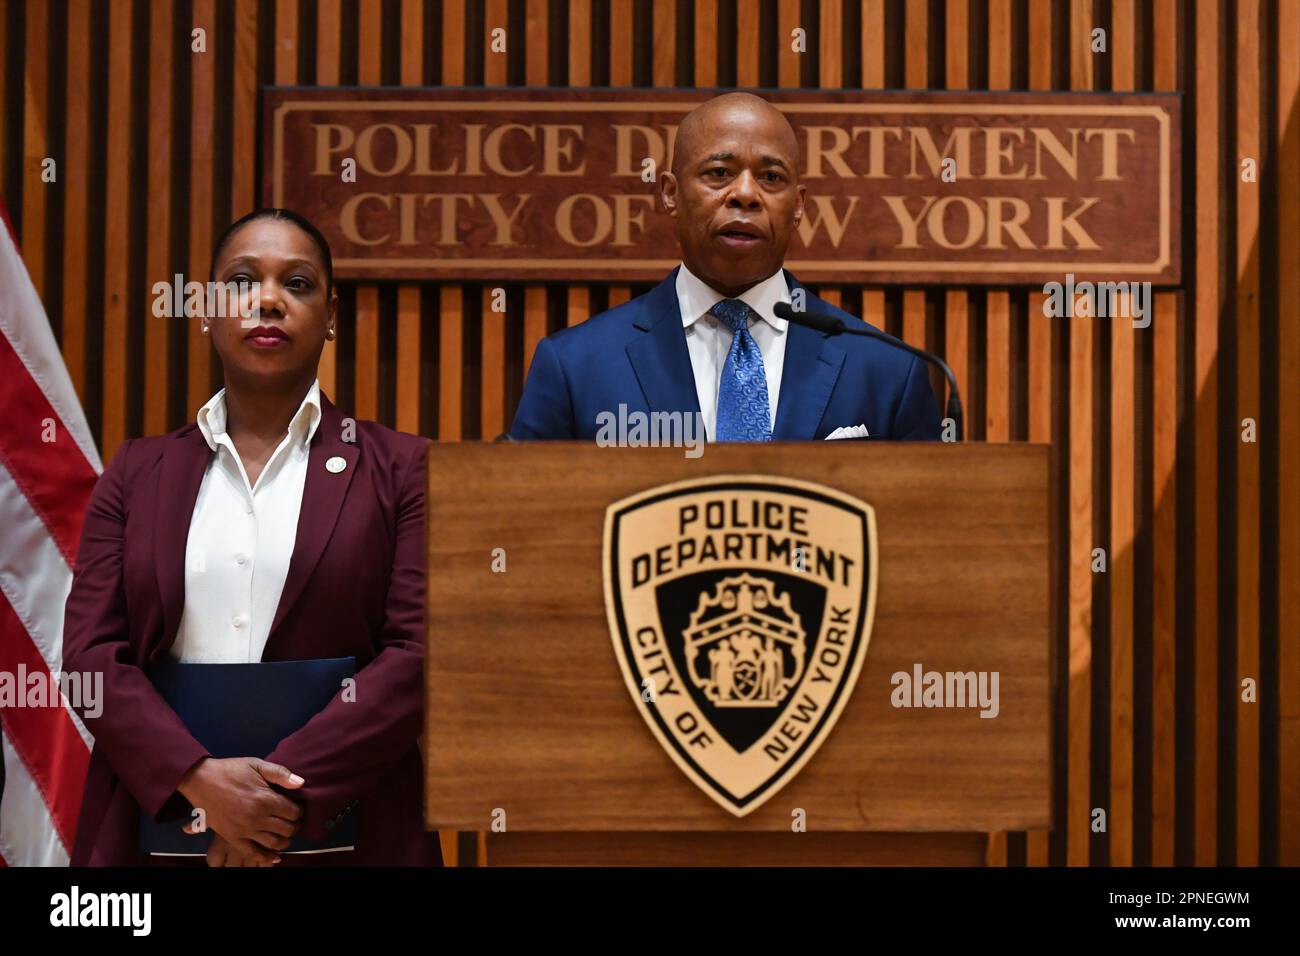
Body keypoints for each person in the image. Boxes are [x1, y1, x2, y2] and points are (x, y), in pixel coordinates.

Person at [61, 208, 441, 866]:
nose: (268, 299)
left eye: (297, 284)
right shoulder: (136, 471)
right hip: (161, 831)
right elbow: (91, 657)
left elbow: (418, 659)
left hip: (355, 834)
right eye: (242, 281)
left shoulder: (403, 469)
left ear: (329, 316)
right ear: (207, 310)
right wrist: (202, 783)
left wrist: (272, 798)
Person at [510, 91, 942, 443]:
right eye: (719, 172)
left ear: (798, 206)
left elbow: (924, 537)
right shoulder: (575, 367)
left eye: (771, 178)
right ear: (670, 193)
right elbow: (524, 525)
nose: (746, 194)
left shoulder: (887, 372)